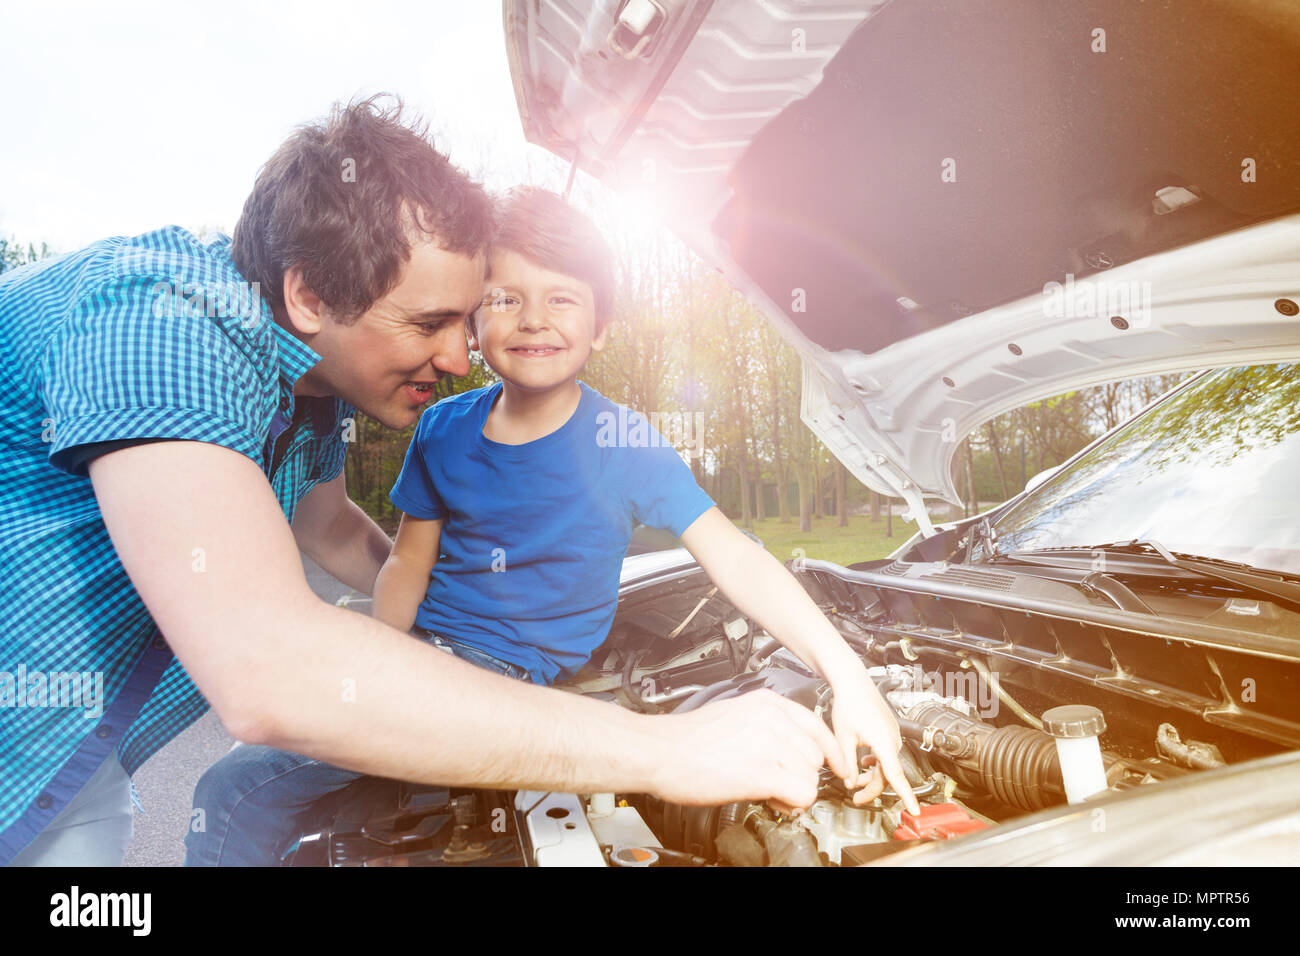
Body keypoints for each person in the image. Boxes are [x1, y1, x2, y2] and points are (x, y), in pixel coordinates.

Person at [1, 96, 866, 867]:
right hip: (16, 756)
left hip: (75, 762)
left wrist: (407, 652)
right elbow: (271, 675)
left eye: (465, 318)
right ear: (309, 295)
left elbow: (331, 525)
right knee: (234, 796)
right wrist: (668, 751)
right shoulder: (161, 324)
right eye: (432, 323)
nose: (460, 360)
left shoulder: (308, 387)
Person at [184, 186, 918, 865]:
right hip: (422, 656)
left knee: (233, 793)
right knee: (282, 801)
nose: (533, 318)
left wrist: (846, 673)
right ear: (473, 321)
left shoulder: (625, 443)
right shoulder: (441, 427)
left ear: (600, 328)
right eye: (505, 298)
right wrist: (381, 657)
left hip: (508, 679)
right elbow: (407, 561)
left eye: (562, 299)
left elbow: (735, 555)